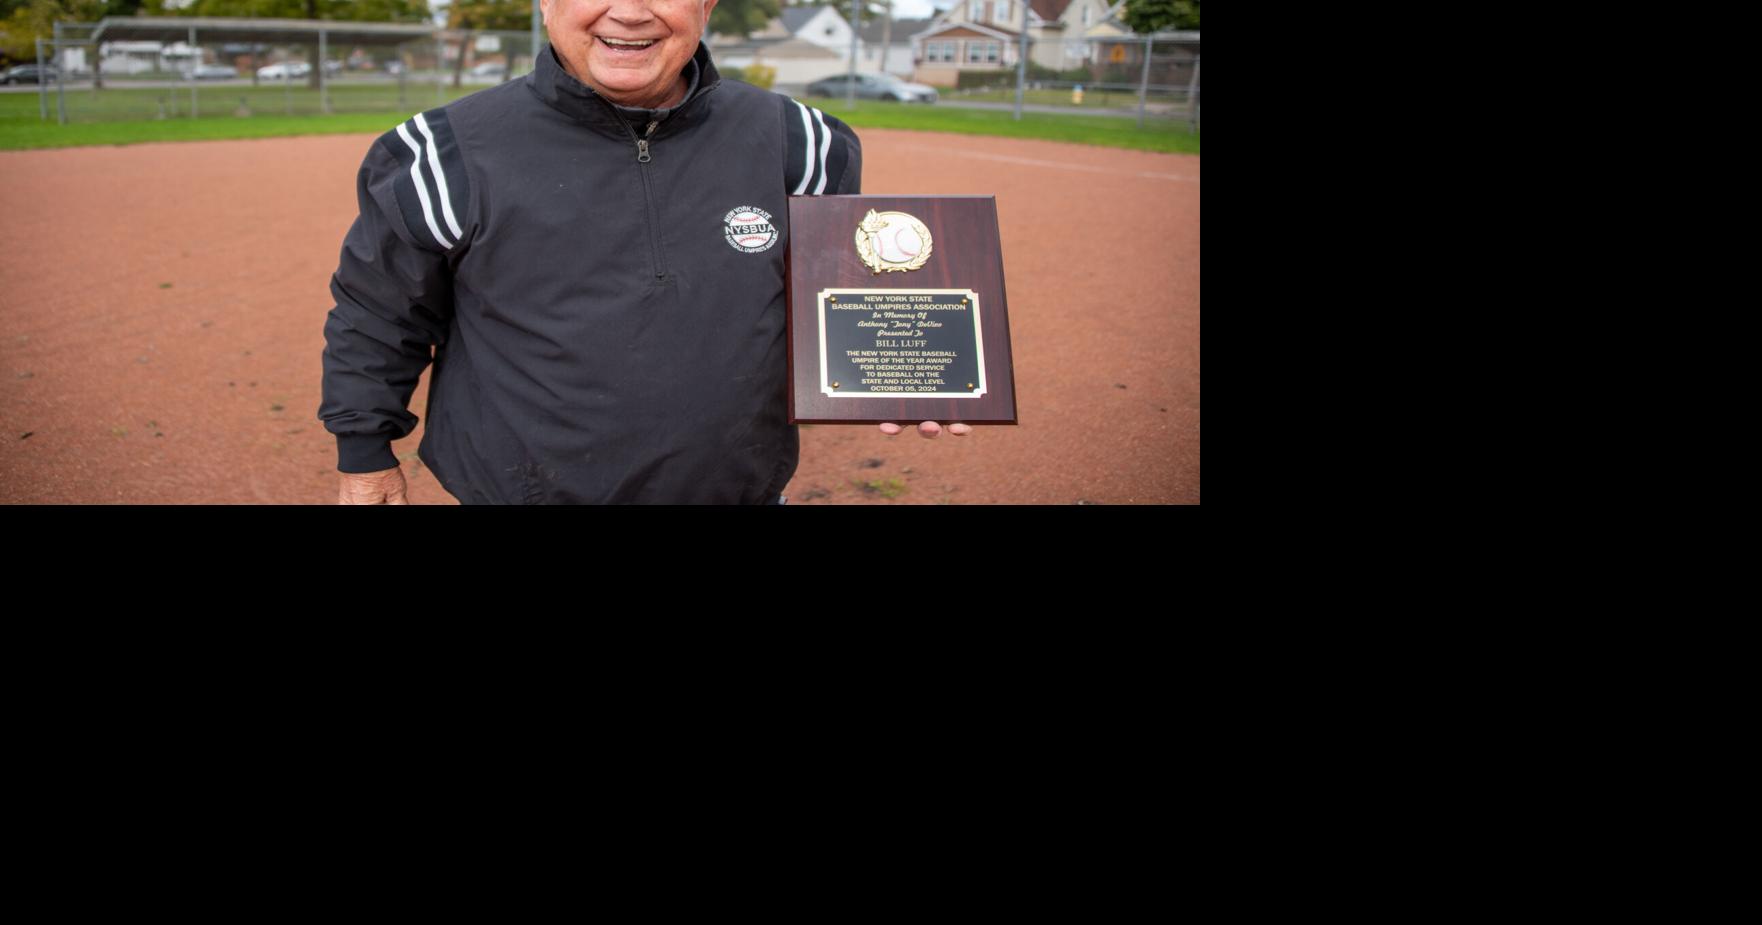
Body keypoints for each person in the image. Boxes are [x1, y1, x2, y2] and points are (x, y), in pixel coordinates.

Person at [320, 0, 969, 505]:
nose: (629, 13)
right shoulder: (440, 153)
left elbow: (833, 300)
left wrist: (899, 367)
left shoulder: (803, 142)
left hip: (738, 492)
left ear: (708, 5)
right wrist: (363, 448)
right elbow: (379, 313)